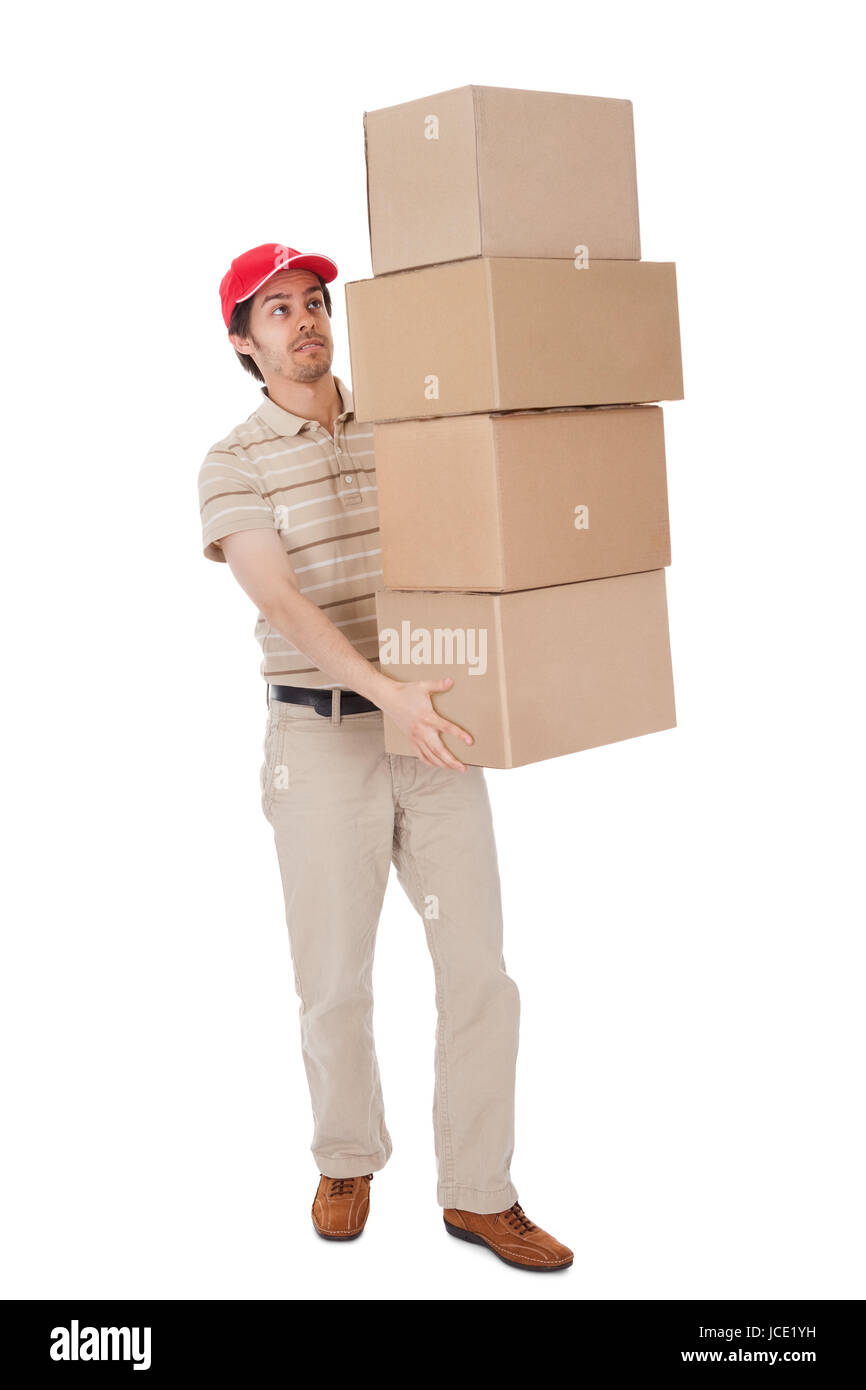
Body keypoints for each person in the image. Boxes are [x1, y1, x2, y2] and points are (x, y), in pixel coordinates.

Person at [196, 242, 573, 1271]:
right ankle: (347, 1155)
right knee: (334, 978)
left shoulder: (405, 427)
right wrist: (385, 695)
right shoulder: (233, 461)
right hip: (321, 739)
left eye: (314, 303)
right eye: (276, 310)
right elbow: (276, 596)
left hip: (435, 725)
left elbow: (479, 517)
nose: (305, 320)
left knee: (479, 970)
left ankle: (478, 1194)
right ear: (242, 340)